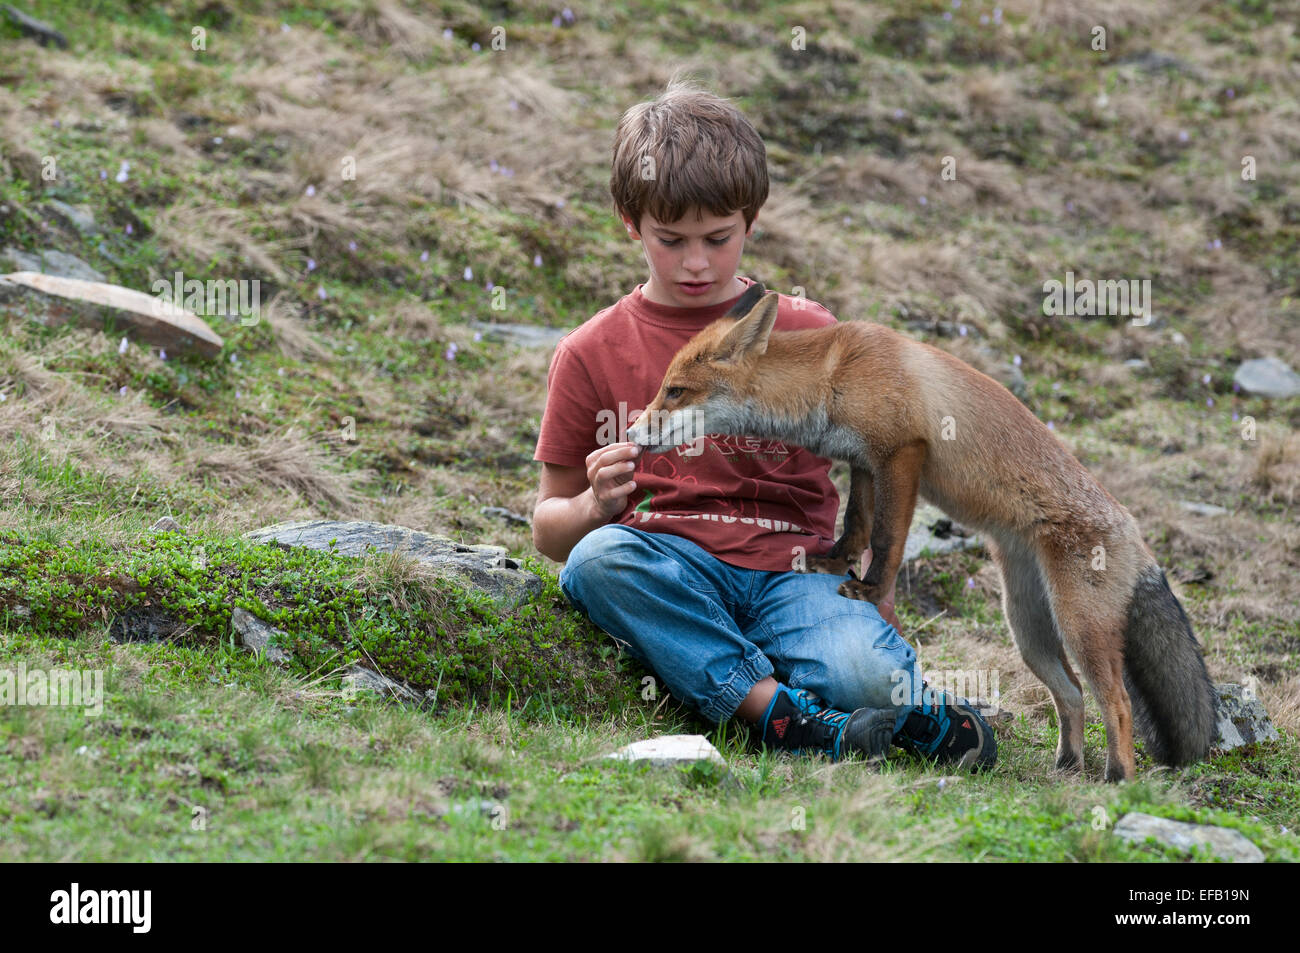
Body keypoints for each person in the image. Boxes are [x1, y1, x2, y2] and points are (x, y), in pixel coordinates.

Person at [531, 77, 995, 770]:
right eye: (671, 238)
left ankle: (895, 705)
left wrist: (880, 587)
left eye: (719, 238)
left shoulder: (811, 333)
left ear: (752, 220)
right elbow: (549, 531)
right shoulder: (590, 351)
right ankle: (783, 717)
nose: (696, 262)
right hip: (673, 565)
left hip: (800, 573)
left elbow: (882, 457)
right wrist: (597, 504)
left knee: (865, 671)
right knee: (600, 562)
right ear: (630, 222)